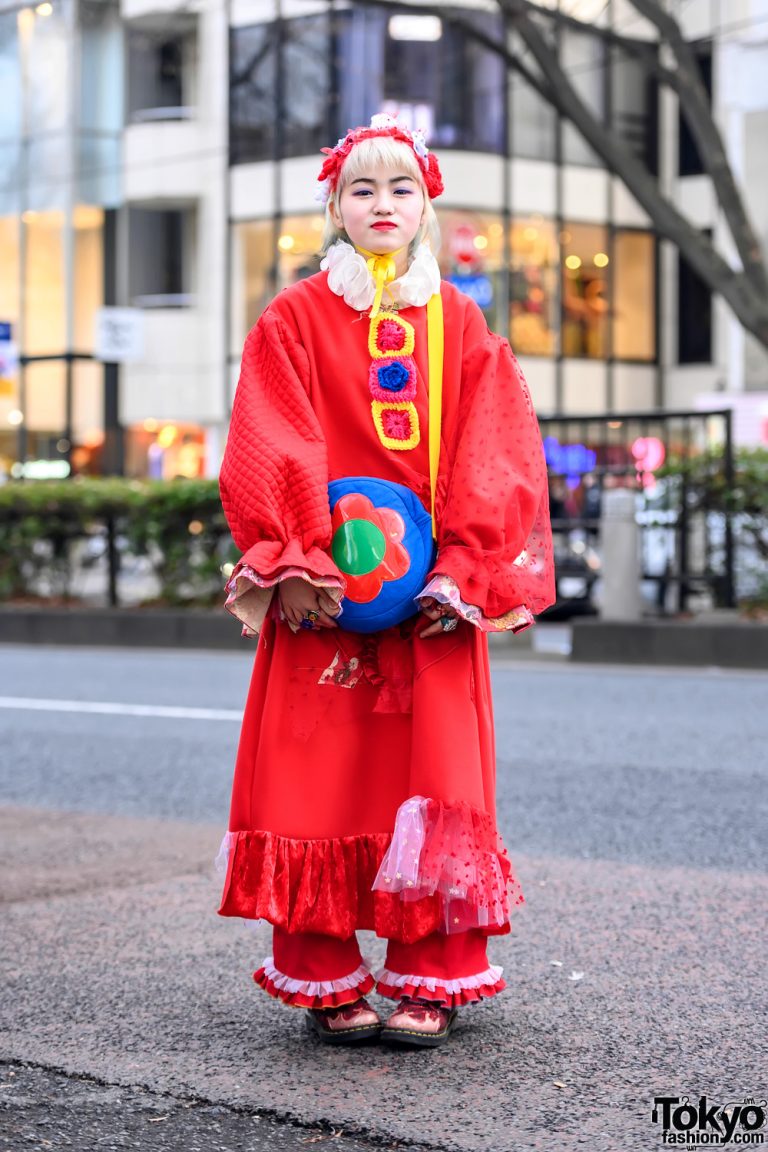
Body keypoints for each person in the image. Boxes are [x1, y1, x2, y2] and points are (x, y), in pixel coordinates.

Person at [216, 114, 555, 1049]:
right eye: (360, 189)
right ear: (335, 206)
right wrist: (293, 559)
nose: (381, 204)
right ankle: (324, 971)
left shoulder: (460, 321)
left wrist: (463, 570)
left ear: (424, 206)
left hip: (433, 600)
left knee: (435, 779)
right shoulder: (291, 317)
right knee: (313, 777)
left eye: (400, 188)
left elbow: (495, 447)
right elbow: (269, 437)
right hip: (320, 591)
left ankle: (431, 975)